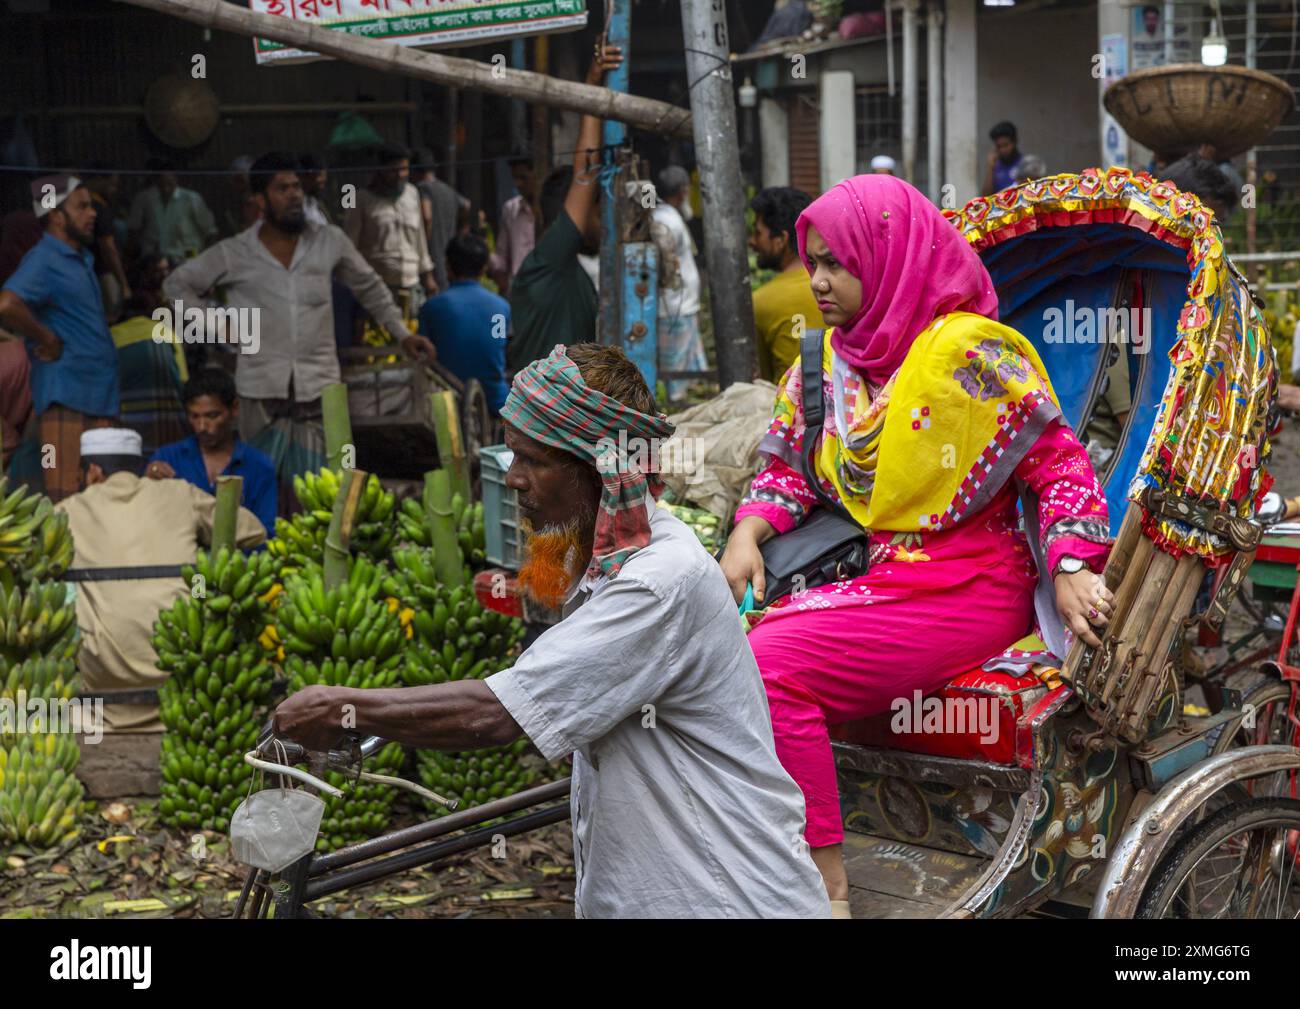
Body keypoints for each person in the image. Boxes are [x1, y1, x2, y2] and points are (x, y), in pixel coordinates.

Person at [273, 342, 831, 919]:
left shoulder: (657, 582)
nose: (513, 479)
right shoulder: (607, 563)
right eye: (513, 458)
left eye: (532, 461)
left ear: (600, 469)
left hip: (729, 900)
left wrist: (338, 706)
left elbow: (494, 715)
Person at [718, 175, 1114, 916]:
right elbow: (783, 466)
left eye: (839, 261)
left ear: (890, 256)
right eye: (814, 260)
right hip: (885, 578)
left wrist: (1067, 566)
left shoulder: (970, 352)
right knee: (716, 644)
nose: (820, 279)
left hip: (970, 587)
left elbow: (1060, 462)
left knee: (769, 663)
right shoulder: (827, 362)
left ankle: (825, 880)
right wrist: (748, 530)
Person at [162, 152, 433, 502]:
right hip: (261, 390)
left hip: (319, 391)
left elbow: (370, 286)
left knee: (328, 490)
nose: (294, 195)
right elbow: (175, 287)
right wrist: (216, 324)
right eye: (282, 188)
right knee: (257, 489)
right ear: (259, 199)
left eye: (296, 187)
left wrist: (403, 333)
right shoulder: (235, 252)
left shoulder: (329, 240)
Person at [57, 427, 265, 732]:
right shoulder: (181, 492)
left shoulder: (67, 511)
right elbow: (252, 530)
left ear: (93, 472)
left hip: (105, 673)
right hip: (179, 660)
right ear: (139, 467)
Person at [0, 175, 119, 501]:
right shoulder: (44, 259)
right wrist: (46, 339)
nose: (92, 214)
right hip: (65, 398)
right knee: (64, 498)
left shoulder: (79, 259)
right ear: (55, 214)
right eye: (81, 207)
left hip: (96, 397)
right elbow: (7, 303)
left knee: (100, 497)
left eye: (91, 207)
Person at [507, 44, 622, 375]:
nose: (604, 228)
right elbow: (585, 173)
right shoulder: (550, 263)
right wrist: (592, 85)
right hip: (546, 420)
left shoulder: (566, 270)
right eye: (599, 215)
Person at [147, 367, 277, 534]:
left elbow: (265, 533)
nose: (202, 427)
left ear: (235, 408)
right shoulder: (167, 458)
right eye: (194, 416)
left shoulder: (259, 466)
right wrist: (148, 482)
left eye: (212, 416)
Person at [417, 234, 509, 416]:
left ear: (447, 267)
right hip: (495, 400)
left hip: (447, 400)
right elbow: (498, 347)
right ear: (484, 269)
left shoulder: (431, 308)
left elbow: (425, 358)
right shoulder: (501, 307)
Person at [110, 257, 189, 460]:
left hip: (123, 435)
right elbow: (183, 382)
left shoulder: (110, 337)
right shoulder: (164, 332)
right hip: (164, 434)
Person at [344, 142, 437, 317]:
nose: (400, 175)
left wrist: (428, 275)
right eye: (393, 170)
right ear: (380, 170)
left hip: (411, 282)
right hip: (379, 287)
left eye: (404, 169)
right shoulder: (359, 199)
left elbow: (420, 239)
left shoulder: (412, 193)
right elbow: (350, 246)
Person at [749, 186, 824, 382]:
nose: (752, 242)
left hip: (785, 407)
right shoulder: (841, 287)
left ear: (781, 239)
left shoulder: (761, 302)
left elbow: (763, 380)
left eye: (758, 233)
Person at [650, 165, 707, 405]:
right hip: (675, 305)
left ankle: (679, 398)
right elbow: (665, 267)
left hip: (681, 303)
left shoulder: (667, 216)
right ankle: (675, 404)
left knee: (683, 356)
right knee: (675, 362)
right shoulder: (666, 222)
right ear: (683, 191)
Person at [127, 161, 218, 262]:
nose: (166, 189)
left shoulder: (191, 198)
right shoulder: (144, 199)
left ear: (176, 179)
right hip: (155, 259)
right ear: (155, 182)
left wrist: (205, 258)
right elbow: (133, 231)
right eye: (161, 185)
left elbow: (211, 232)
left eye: (169, 184)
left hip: (187, 256)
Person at [411, 147, 464, 293]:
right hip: (449, 258)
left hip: (431, 258)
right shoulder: (449, 190)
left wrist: (425, 243)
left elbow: (426, 216)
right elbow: (469, 207)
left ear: (413, 171)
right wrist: (461, 234)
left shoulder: (422, 188)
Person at [83, 168, 131, 323]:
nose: (114, 190)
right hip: (103, 273)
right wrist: (123, 284)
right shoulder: (98, 207)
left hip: (89, 272)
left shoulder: (96, 205)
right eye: (112, 185)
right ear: (98, 179)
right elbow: (108, 247)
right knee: (111, 318)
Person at [489, 156, 540, 297]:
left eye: (523, 178)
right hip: (519, 291)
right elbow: (502, 255)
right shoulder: (511, 209)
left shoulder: (551, 209)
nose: (518, 184)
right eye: (515, 178)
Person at [984, 121, 1025, 194]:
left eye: (1006, 145)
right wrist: (990, 168)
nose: (1003, 150)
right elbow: (986, 195)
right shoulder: (995, 166)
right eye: (999, 147)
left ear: (1014, 142)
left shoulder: (1025, 164)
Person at [298, 152, 332, 228]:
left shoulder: (317, 204)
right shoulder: (296, 207)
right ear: (305, 177)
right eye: (318, 175)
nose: (322, 187)